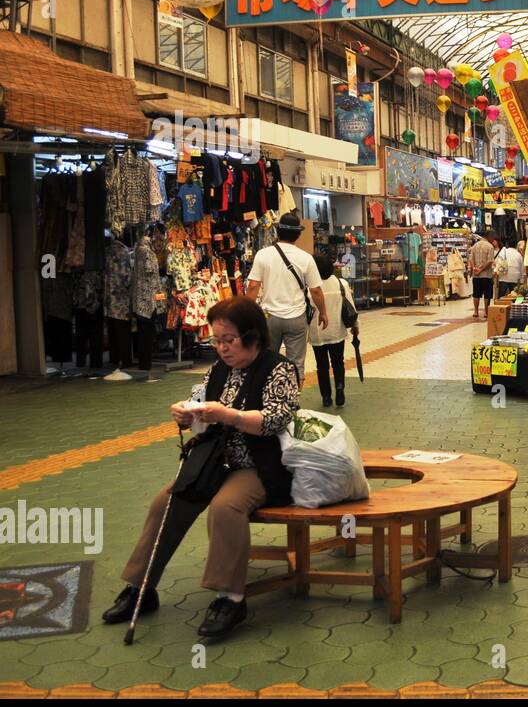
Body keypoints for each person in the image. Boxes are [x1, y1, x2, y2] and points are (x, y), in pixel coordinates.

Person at [103, 297, 300, 639]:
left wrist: (229, 415)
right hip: (213, 460)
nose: (222, 348)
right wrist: (186, 414)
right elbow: (200, 407)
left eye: (229, 340)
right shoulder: (218, 371)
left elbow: (275, 420)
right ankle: (141, 587)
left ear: (252, 337)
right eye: (217, 340)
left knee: (226, 506)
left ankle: (231, 598)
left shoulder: (279, 369)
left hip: (259, 464)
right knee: (166, 501)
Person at [244, 212, 326, 382]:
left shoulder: (263, 255)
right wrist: (323, 312)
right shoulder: (306, 258)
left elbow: (253, 286)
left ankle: (267, 399)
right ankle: (292, 403)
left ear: (278, 231)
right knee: (296, 363)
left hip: (269, 317)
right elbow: (316, 290)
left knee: (266, 360)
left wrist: (245, 313)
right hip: (297, 318)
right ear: (298, 234)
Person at [308, 254, 354, 408]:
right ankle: (340, 388)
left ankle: (326, 397)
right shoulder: (341, 284)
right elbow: (351, 307)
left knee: (322, 365)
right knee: (338, 362)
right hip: (337, 331)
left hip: (317, 332)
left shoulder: (310, 288)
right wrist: (356, 327)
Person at [468, 234, 497, 318]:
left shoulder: (474, 246)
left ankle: (476, 312)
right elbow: (490, 261)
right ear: (489, 237)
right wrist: (481, 270)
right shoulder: (490, 246)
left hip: (476, 276)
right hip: (487, 275)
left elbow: (471, 259)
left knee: (476, 294)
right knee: (487, 294)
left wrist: (474, 269)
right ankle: (486, 312)